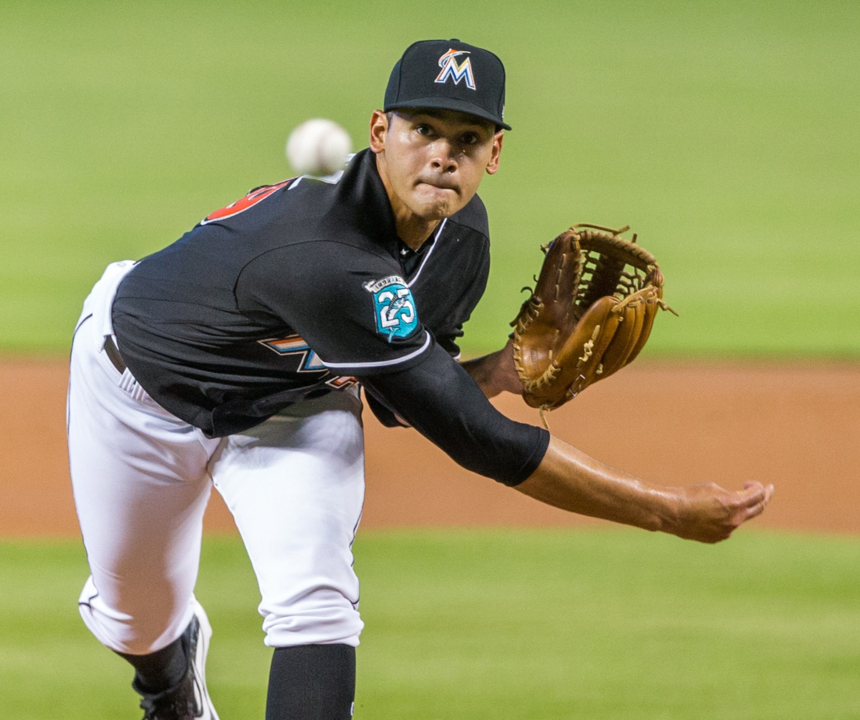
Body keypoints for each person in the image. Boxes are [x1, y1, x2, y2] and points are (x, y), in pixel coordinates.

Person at [66, 38, 772, 720]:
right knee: (137, 618)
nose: (442, 154)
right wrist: (666, 510)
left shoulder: (459, 239)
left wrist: (499, 369)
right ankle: (168, 682)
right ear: (379, 131)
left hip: (296, 405)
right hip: (139, 394)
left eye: (466, 139)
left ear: (493, 155)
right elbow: (480, 441)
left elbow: (399, 401)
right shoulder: (322, 255)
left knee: (315, 598)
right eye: (423, 129)